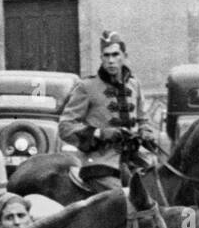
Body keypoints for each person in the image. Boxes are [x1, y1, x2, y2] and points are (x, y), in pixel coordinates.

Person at [58, 29, 155, 191]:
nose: (111, 60)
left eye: (115, 55)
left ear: (125, 56)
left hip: (132, 158)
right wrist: (99, 133)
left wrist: (145, 132)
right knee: (125, 200)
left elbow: (142, 120)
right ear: (101, 58)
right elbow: (65, 127)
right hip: (100, 162)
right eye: (106, 55)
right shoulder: (86, 87)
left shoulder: (134, 84)